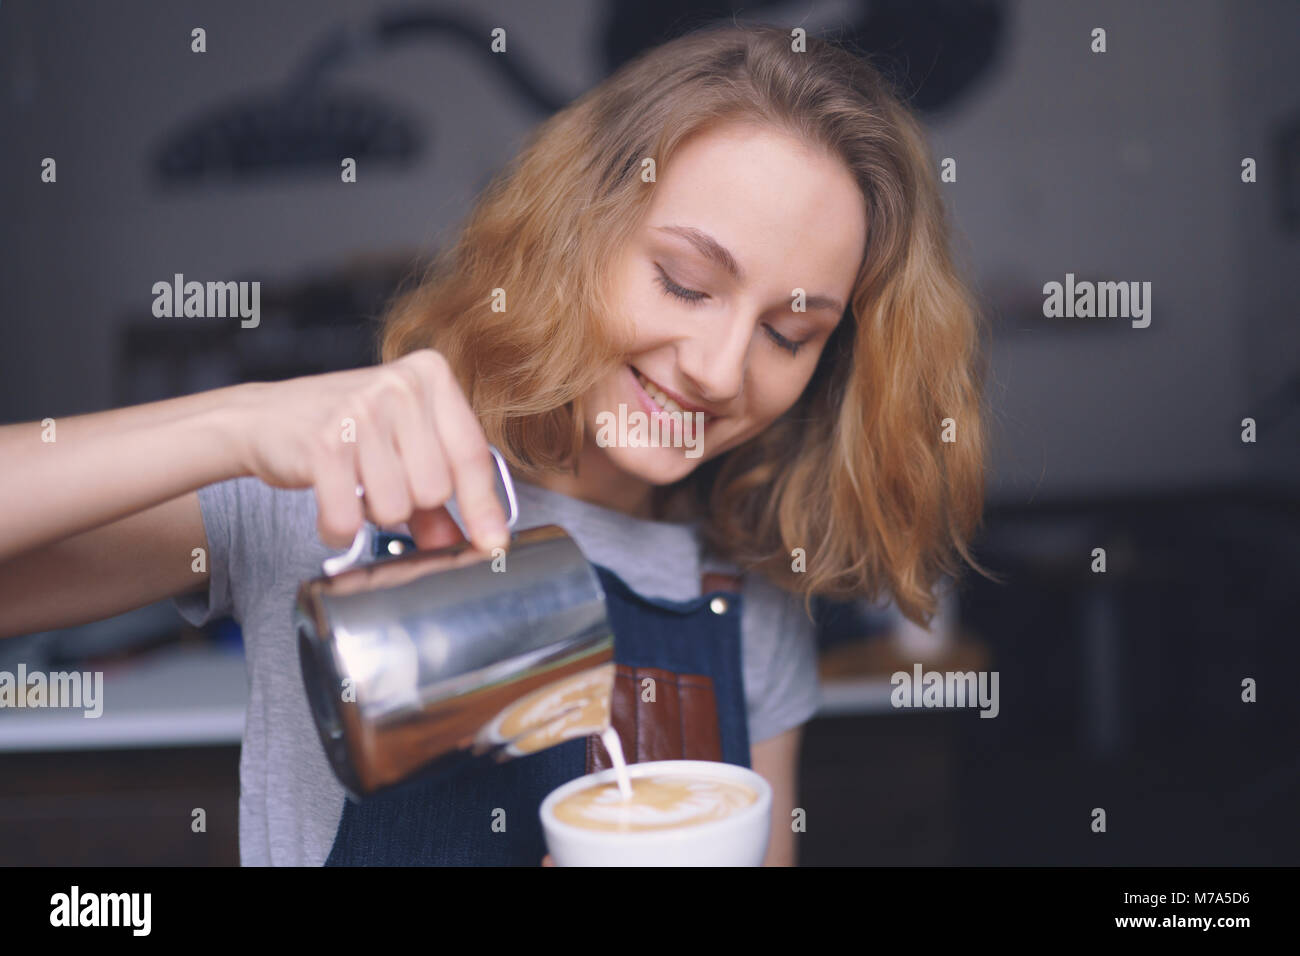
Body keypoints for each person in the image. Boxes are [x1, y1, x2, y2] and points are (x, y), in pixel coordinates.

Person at [0, 22, 992, 865]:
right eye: (685, 282)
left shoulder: (744, 608)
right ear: (575, 233)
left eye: (789, 332)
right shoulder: (348, 494)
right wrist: (235, 424)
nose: (721, 367)